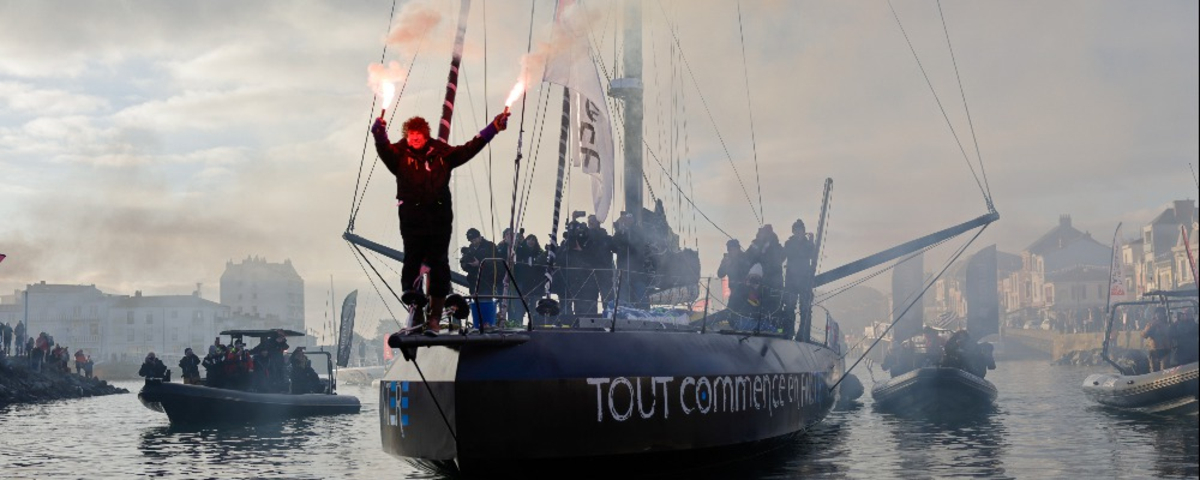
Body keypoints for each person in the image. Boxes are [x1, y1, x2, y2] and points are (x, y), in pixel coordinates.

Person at [372, 109, 510, 332]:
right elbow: (384, 150)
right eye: (410, 136)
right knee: (413, 258)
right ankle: (414, 304)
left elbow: (469, 148)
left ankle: (434, 317)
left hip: (438, 216)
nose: (414, 140)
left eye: (418, 136)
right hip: (411, 215)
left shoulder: (442, 153)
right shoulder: (399, 154)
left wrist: (493, 128)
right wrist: (379, 134)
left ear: (425, 136)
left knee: (439, 263)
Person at [783, 219, 816, 341]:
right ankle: (788, 332)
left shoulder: (808, 245)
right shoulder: (789, 244)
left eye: (800, 230)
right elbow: (785, 256)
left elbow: (812, 256)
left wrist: (812, 243)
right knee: (790, 307)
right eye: (796, 230)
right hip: (791, 280)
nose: (798, 233)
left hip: (804, 281)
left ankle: (803, 335)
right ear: (793, 231)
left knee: (805, 308)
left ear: (803, 231)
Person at [1142, 307, 1171, 372]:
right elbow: (1144, 335)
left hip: (1165, 350)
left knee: (1164, 371)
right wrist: (1151, 327)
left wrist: (1161, 326)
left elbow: (1169, 334)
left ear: (1164, 315)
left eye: (1161, 313)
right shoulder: (1150, 324)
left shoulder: (1167, 324)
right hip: (1154, 350)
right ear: (1155, 314)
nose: (1159, 315)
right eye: (1157, 313)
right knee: (1154, 372)